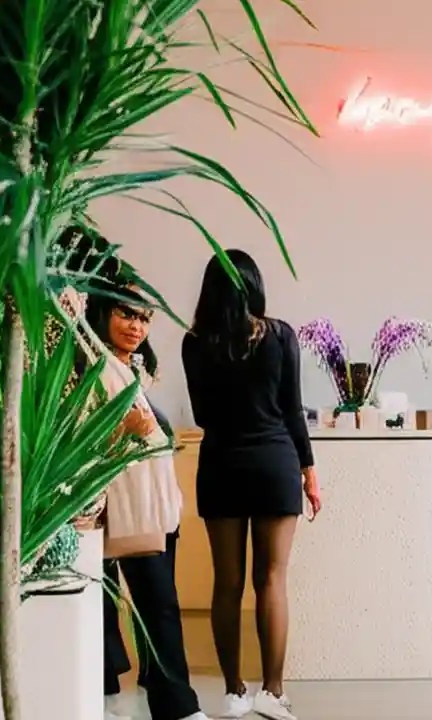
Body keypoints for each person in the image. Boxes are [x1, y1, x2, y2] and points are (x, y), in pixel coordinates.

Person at [182, 249, 321, 720]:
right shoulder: (281, 335)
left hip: (221, 464)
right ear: (254, 286)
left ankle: (233, 691)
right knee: (273, 580)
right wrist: (310, 471)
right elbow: (292, 409)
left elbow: (201, 415)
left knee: (227, 583)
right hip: (275, 463)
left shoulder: (194, 342)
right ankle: (273, 692)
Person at [89, 287, 208, 720]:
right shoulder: (96, 366)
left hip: (154, 507)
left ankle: (163, 693)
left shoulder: (127, 367)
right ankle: (178, 706)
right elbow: (84, 434)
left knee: (159, 604)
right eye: (126, 315)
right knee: (159, 606)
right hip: (130, 507)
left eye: (144, 318)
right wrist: (129, 428)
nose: (136, 327)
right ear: (103, 313)